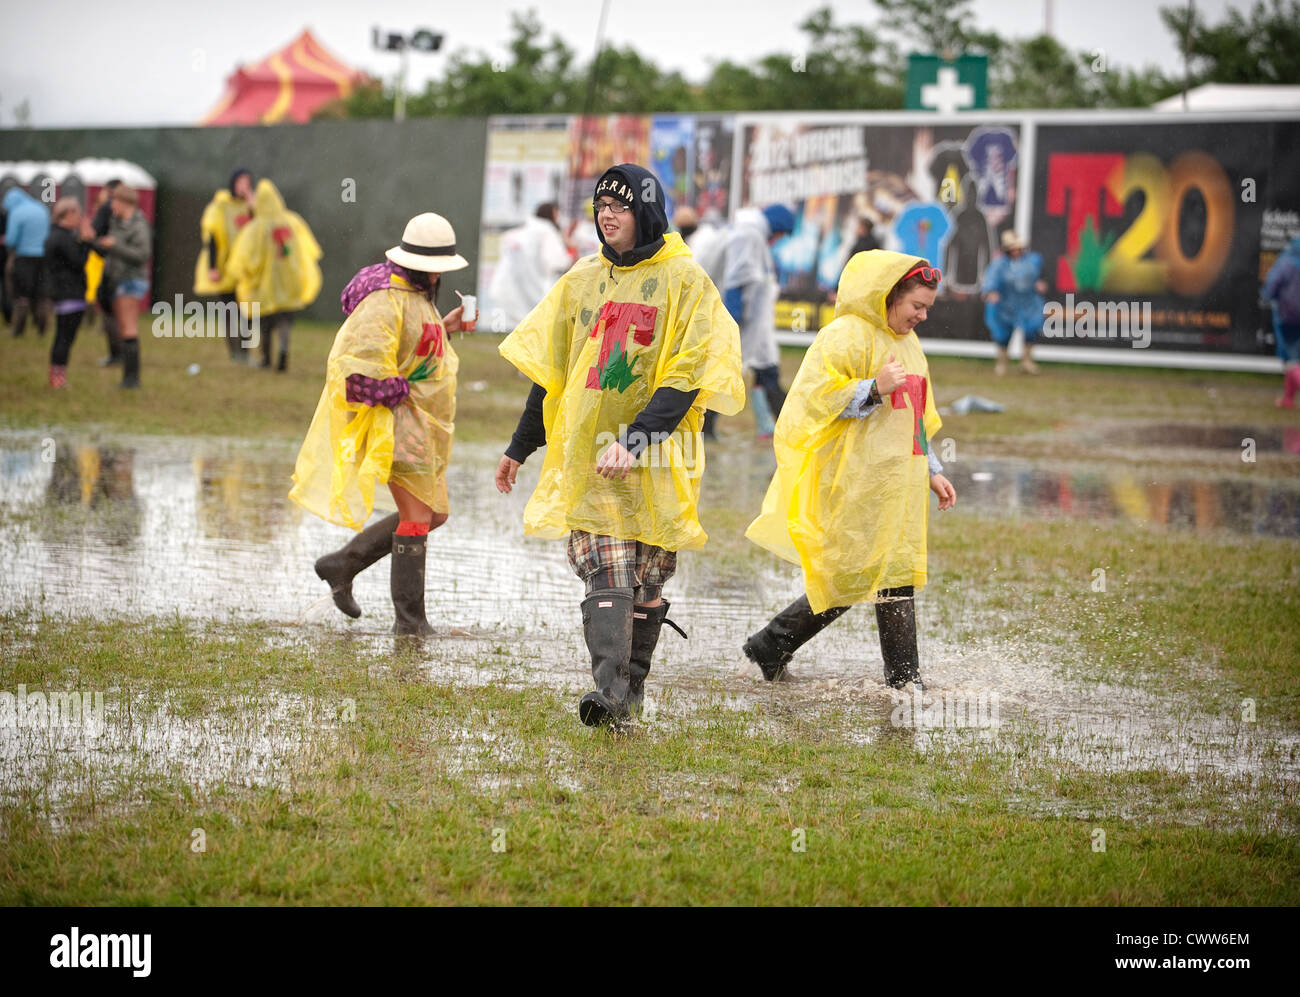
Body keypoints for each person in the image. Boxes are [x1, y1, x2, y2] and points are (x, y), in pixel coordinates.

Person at [495, 163, 745, 727]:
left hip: (658, 461)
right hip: (592, 457)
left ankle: (629, 696)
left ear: (647, 211)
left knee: (647, 582)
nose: (607, 214)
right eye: (601, 205)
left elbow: (687, 375)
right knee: (606, 572)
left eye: (620, 204)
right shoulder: (582, 280)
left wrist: (636, 440)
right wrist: (520, 446)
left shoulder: (686, 282)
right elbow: (552, 372)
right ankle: (608, 694)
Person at [743, 252, 956, 691]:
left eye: (928, 307)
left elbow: (916, 416)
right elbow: (813, 401)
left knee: (894, 572)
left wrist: (931, 470)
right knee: (855, 573)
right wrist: (873, 388)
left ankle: (902, 679)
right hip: (853, 478)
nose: (923, 315)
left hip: (899, 481)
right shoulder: (843, 336)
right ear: (889, 295)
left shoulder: (911, 346)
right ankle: (773, 643)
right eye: (917, 305)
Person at [290, 213, 470, 635]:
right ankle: (410, 622)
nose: (439, 276)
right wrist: (397, 392)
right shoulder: (384, 300)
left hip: (422, 425)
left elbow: (411, 349)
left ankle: (342, 564)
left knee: (433, 515)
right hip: (398, 424)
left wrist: (445, 327)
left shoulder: (416, 294)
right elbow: (357, 370)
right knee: (415, 516)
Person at [708, 204, 794, 439]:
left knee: (768, 375)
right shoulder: (748, 236)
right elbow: (738, 281)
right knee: (726, 378)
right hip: (744, 326)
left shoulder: (752, 236)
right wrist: (731, 324)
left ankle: (789, 430)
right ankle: (704, 428)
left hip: (756, 328)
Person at [226, 179, 321, 372]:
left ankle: (266, 358)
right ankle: (283, 356)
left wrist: (248, 274)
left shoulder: (256, 228)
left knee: (266, 322)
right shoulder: (293, 221)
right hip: (290, 282)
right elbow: (309, 250)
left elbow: (246, 256)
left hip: (266, 285)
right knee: (285, 321)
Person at [194, 168, 256, 361]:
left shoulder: (251, 207)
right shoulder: (220, 206)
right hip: (225, 267)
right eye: (240, 182)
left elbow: (261, 229)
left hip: (245, 270)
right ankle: (234, 352)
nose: (244, 187)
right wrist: (213, 267)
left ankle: (245, 352)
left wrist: (253, 203)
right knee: (229, 311)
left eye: (247, 183)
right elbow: (212, 236)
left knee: (248, 311)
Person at [94, 185, 152, 389]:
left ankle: (131, 379)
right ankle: (129, 377)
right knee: (124, 327)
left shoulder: (138, 225)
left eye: (115, 201)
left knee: (128, 328)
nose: (112, 206)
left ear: (124, 202)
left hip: (131, 280)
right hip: (118, 279)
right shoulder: (117, 221)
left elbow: (143, 255)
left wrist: (114, 246)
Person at [487, 202, 573, 332]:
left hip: (514, 293)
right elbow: (557, 262)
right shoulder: (547, 233)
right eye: (557, 213)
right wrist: (572, 252)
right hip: (535, 294)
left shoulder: (518, 233)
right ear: (552, 214)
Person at [44, 198, 96, 389]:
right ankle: (58, 379)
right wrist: (87, 241)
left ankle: (57, 376)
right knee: (65, 338)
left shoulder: (55, 234)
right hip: (69, 293)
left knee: (62, 337)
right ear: (68, 214)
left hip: (63, 292)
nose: (81, 218)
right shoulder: (63, 237)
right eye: (78, 214)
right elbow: (78, 261)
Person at [982, 229, 1046, 375]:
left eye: (1017, 247)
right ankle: (1002, 362)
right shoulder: (1000, 264)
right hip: (1006, 302)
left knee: (1031, 328)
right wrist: (991, 291)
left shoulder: (1032, 260)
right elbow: (991, 278)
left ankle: (1027, 361)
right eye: (1012, 248)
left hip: (1028, 301)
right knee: (1003, 333)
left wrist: (1039, 283)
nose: (1016, 250)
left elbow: (1039, 276)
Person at [3, 185, 51, 337]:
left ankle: (19, 330)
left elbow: (11, 240)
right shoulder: (42, 208)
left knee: (21, 295)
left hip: (23, 258)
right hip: (43, 257)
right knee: (40, 295)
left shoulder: (16, 212)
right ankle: (42, 328)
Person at [88, 179, 123, 366]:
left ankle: (117, 354)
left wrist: (100, 248)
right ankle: (122, 354)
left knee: (109, 309)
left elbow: (92, 235)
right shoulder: (133, 212)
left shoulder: (107, 208)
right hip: (127, 267)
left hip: (111, 267)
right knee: (121, 312)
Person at [1263, 235, 1300, 408]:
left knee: (1290, 360)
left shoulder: (1286, 262)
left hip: (1289, 317)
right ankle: (1288, 398)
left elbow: (1272, 286)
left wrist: (1268, 295)